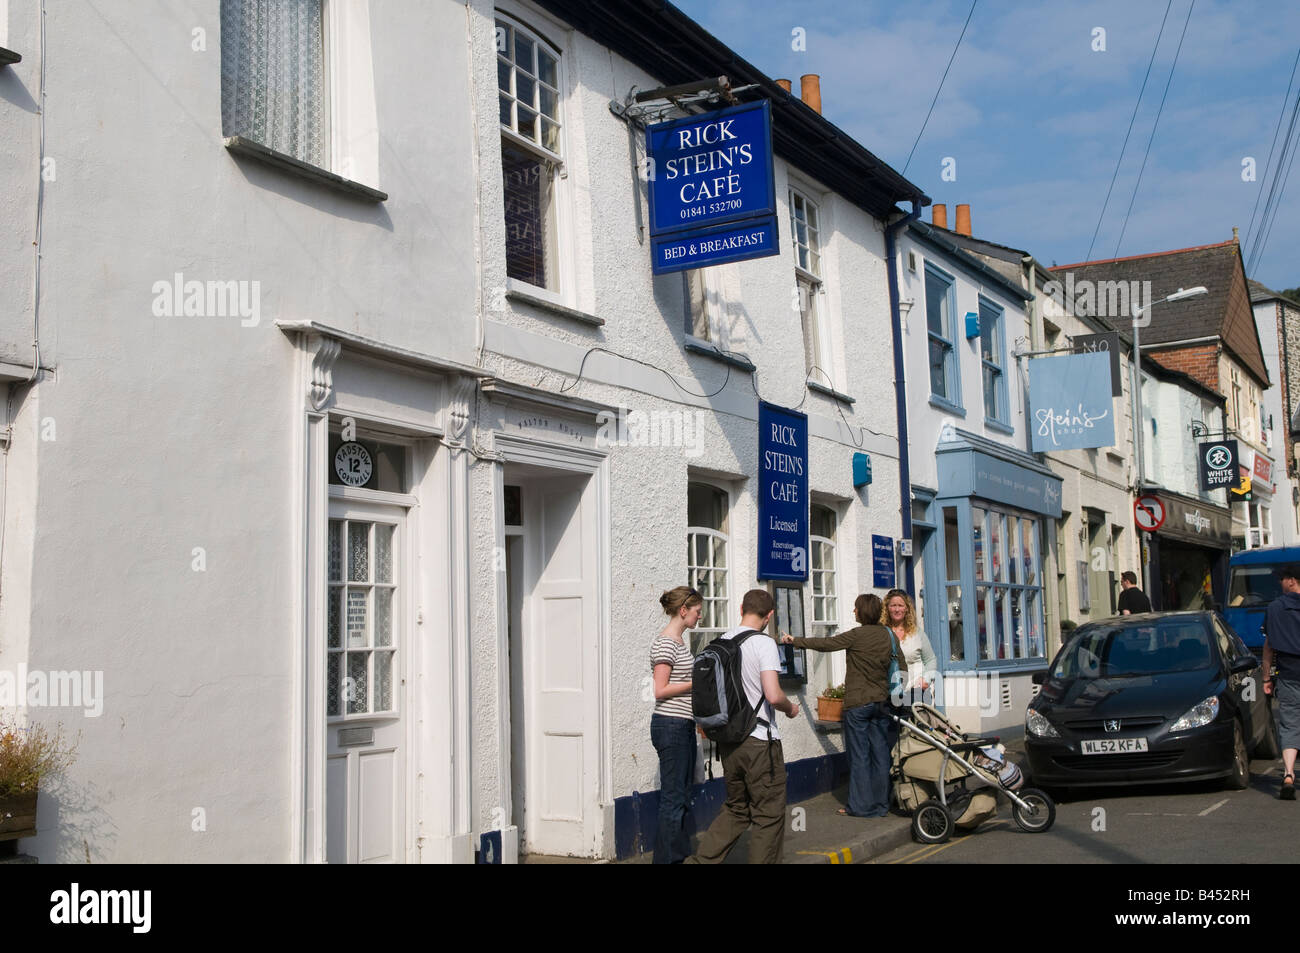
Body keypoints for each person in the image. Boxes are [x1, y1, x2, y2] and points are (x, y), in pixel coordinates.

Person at [685, 589, 800, 864]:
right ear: (769, 615)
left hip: (729, 741)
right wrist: (791, 708)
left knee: (737, 809)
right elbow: (772, 694)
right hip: (759, 740)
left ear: (741, 608)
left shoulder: (722, 641)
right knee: (768, 814)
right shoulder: (764, 644)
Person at [782, 593, 903, 818]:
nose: (853, 612)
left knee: (859, 756)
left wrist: (794, 640)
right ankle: (880, 805)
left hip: (857, 704)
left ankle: (859, 806)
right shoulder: (889, 635)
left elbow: (826, 644)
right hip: (881, 703)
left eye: (856, 609)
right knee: (880, 755)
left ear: (863, 612)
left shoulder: (857, 635)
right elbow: (901, 666)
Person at [649, 586, 703, 863]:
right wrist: (697, 683)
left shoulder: (680, 642)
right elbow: (660, 690)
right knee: (673, 798)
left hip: (682, 724)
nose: (699, 617)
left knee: (681, 796)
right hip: (670, 725)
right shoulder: (666, 642)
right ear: (683, 611)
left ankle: (678, 857)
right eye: (697, 612)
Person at [1262, 565, 1300, 800]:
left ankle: (1288, 775)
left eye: (1283, 579)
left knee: (1289, 725)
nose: (1280, 583)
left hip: (1288, 676)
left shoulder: (1275, 608)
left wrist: (1266, 678)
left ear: (1293, 581)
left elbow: (1268, 648)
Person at [880, 589, 936, 705]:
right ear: (887, 608)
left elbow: (931, 660)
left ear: (906, 608)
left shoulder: (917, 633)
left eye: (900, 605)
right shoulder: (881, 632)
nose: (896, 609)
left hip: (916, 691)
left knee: (918, 723)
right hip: (889, 692)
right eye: (893, 605)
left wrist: (925, 680)